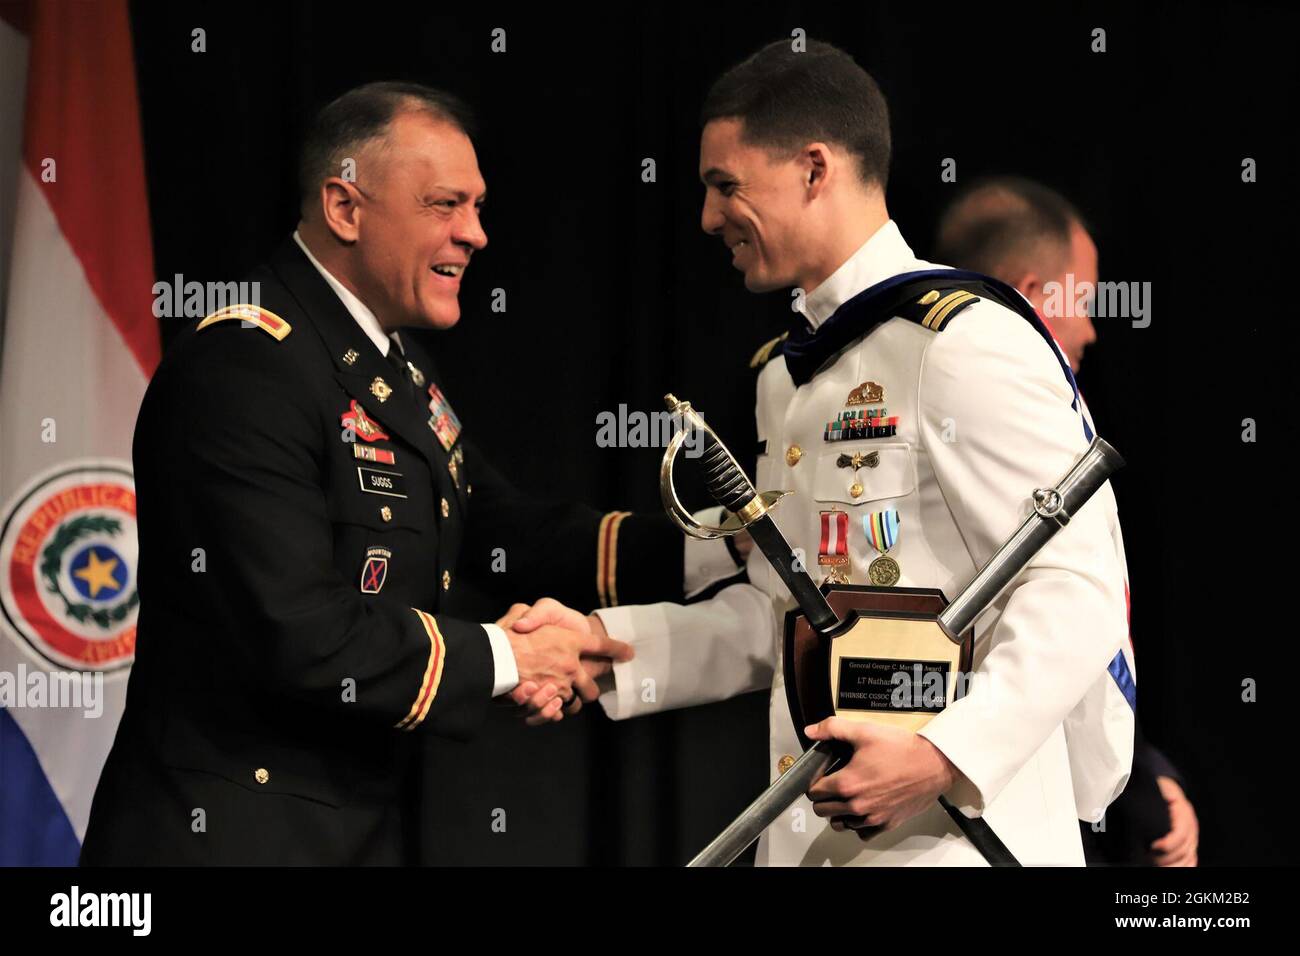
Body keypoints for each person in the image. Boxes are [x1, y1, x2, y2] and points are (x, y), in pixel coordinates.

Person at [512, 39, 1136, 865]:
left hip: (959, 843)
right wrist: (605, 645)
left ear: (815, 169)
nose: (706, 218)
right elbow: (786, 616)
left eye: (725, 186)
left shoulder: (964, 342)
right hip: (814, 839)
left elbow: (1078, 585)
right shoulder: (787, 375)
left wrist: (945, 754)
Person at [79, 82, 731, 865]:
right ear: (345, 208)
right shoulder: (243, 364)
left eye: (478, 207)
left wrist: (732, 551)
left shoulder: (387, 366)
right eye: (445, 205)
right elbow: (302, 630)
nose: (477, 234)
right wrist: (510, 657)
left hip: (355, 827)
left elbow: (505, 528)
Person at [935, 176, 1198, 866]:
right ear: (1034, 295)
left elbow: (1069, 630)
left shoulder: (1057, 421)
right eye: (1081, 300)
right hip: (970, 813)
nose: (1090, 326)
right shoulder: (960, 420)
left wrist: (1142, 773)